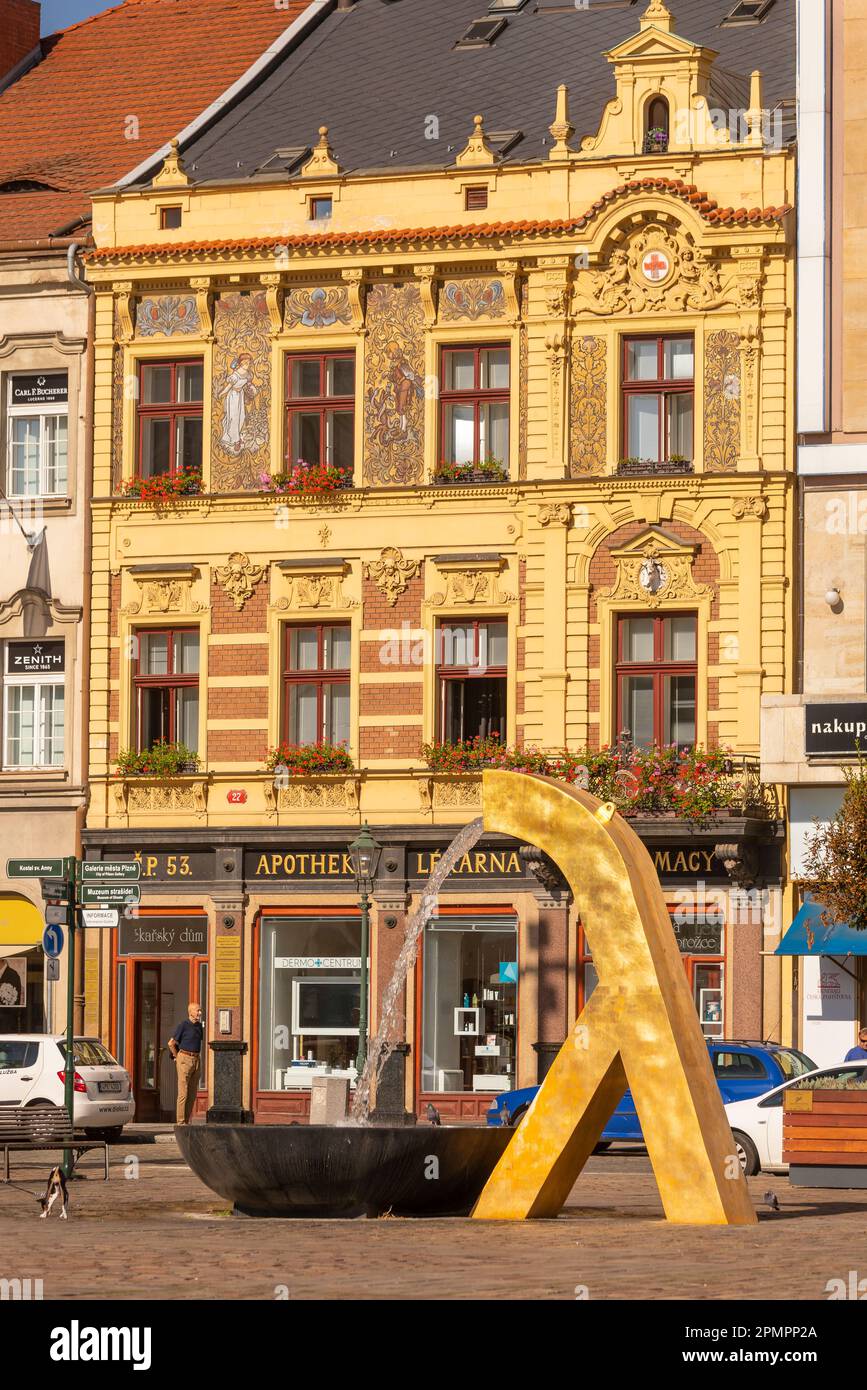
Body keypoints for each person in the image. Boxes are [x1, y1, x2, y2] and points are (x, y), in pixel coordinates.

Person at [168, 1002, 203, 1124]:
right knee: (183, 1093)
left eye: (200, 1010)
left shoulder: (199, 1026)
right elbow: (171, 1043)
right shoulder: (183, 1025)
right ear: (191, 1012)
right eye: (198, 1010)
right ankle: (181, 1123)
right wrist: (177, 1056)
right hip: (184, 1059)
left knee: (192, 1094)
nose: (200, 1013)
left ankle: (186, 1121)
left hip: (196, 1060)